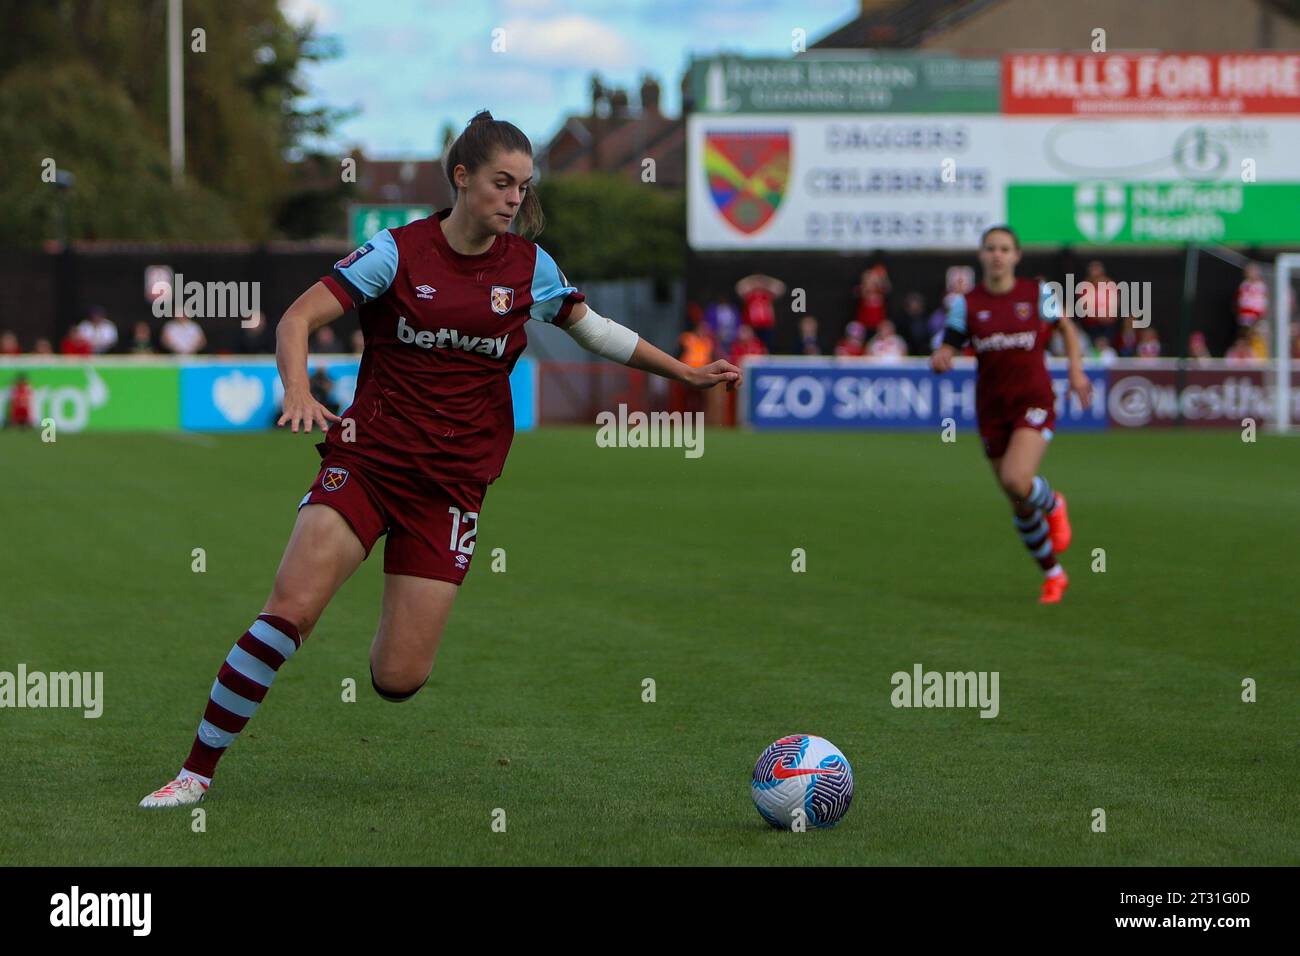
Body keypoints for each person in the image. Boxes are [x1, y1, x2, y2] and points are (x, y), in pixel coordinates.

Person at [138, 110, 742, 808]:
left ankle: (388, 610)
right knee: (290, 610)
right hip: (369, 464)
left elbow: (598, 333)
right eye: (502, 183)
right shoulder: (397, 252)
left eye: (524, 186)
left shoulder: (530, 268)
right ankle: (194, 774)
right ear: (462, 178)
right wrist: (298, 390)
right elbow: (297, 318)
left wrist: (686, 375)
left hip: (452, 488)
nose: (515, 199)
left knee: (399, 678)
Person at [929, 225, 1092, 604]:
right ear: (981, 256)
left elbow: (1065, 328)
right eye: (991, 249)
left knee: (1018, 479)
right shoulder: (965, 304)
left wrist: (1076, 370)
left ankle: (1055, 504)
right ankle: (1053, 574)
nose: (997, 255)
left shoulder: (1037, 293)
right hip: (992, 409)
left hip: (1034, 400)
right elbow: (949, 346)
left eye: (1004, 248)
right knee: (1016, 500)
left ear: (1016, 255)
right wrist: (942, 358)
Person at [735, 274, 784, 350]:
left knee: (768, 345)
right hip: (753, 326)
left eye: (760, 282)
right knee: (753, 345)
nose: (758, 283)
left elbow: (781, 286)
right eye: (756, 282)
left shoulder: (767, 294)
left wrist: (766, 279)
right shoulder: (749, 294)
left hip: (767, 325)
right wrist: (752, 278)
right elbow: (739, 286)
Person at [854, 264, 889, 331]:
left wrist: (883, 276)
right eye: (869, 279)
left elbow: (886, 288)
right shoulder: (861, 289)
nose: (871, 281)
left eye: (873, 279)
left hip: (878, 324)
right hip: (863, 324)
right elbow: (862, 293)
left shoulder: (880, 290)